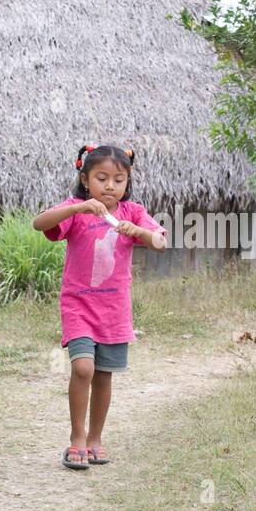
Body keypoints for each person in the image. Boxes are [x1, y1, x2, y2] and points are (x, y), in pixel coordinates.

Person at [33, 145, 168, 469]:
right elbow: (40, 223)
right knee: (83, 369)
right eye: (102, 178)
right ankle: (76, 438)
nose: (110, 186)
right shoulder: (75, 211)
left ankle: (95, 440)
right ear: (85, 179)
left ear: (127, 182)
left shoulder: (132, 213)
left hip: (114, 311)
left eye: (118, 180)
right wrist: (76, 210)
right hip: (78, 306)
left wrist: (141, 233)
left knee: (104, 376)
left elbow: (162, 242)